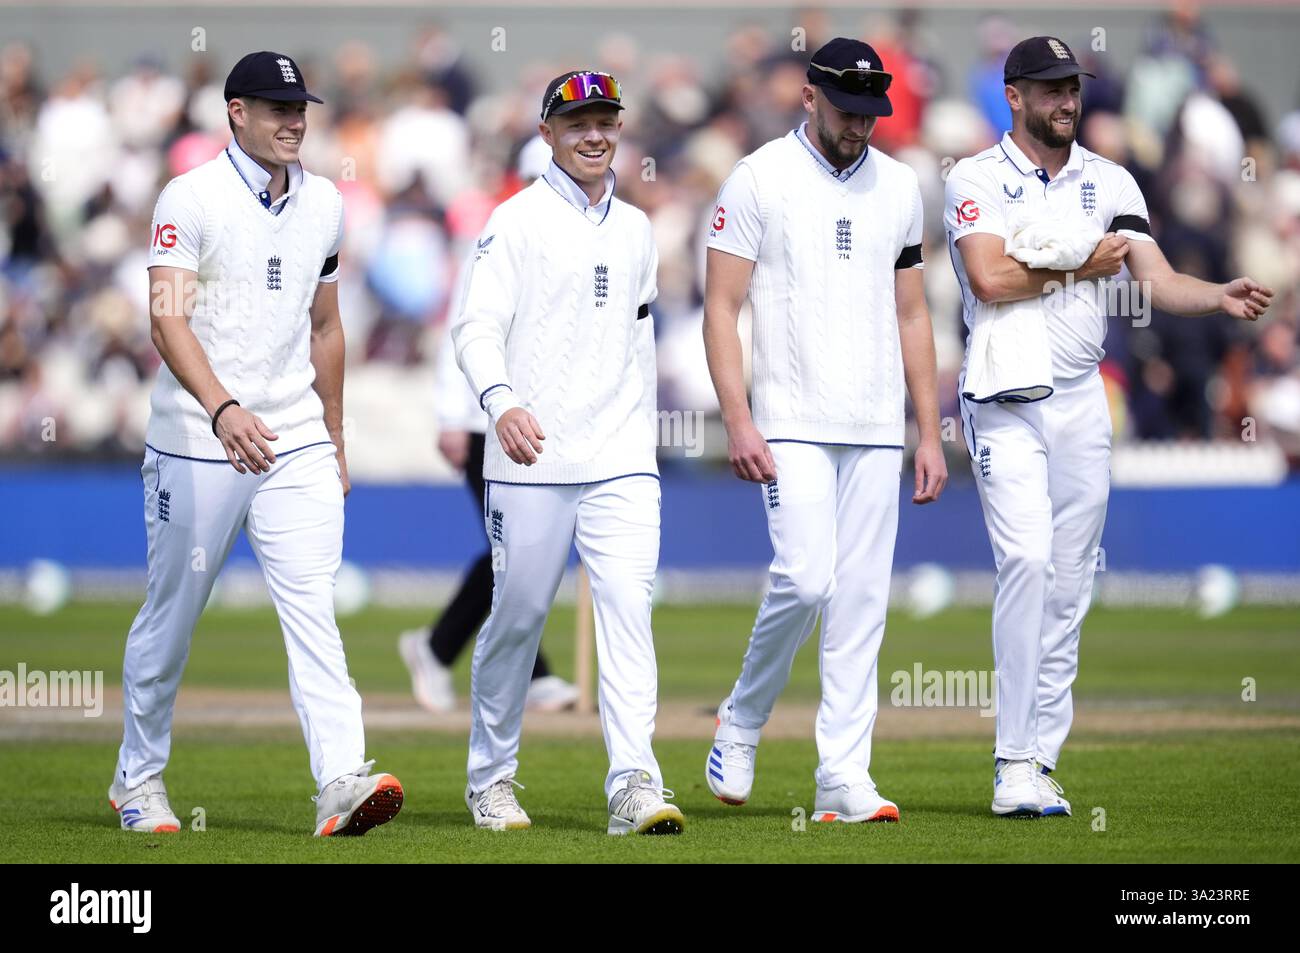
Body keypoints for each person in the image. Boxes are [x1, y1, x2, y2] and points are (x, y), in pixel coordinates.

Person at [944, 36, 1273, 818]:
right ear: (1014, 96)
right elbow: (988, 277)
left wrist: (1217, 294)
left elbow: (1155, 279)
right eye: (1050, 90)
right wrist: (1078, 270)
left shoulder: (1110, 179)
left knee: (1069, 583)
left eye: (1073, 89)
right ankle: (1011, 759)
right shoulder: (974, 177)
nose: (1067, 102)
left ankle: (1038, 760)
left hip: (1081, 400)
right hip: (1002, 399)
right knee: (1024, 560)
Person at [113, 51, 403, 837]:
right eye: (276, 108)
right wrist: (222, 408)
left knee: (314, 608)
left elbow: (327, 325)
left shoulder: (326, 205)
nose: (294, 121)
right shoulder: (190, 197)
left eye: (300, 107)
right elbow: (165, 318)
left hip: (296, 438)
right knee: (172, 617)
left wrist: (335, 436)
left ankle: (340, 780)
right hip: (196, 437)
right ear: (235, 112)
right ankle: (137, 779)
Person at [702, 38, 947, 824]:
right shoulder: (759, 178)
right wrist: (738, 419)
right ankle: (740, 718)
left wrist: (929, 429)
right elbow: (720, 307)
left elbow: (913, 311)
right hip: (790, 418)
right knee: (807, 578)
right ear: (809, 96)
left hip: (876, 423)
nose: (860, 125)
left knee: (861, 604)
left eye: (873, 111)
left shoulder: (902, 186)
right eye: (848, 110)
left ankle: (843, 775)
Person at [452, 70, 682, 835]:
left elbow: (640, 343)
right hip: (531, 455)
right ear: (547, 133)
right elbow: (474, 327)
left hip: (620, 456)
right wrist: (501, 403)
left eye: (606, 120)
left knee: (629, 611)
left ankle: (635, 782)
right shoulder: (513, 222)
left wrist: (642, 441)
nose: (594, 134)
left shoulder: (638, 229)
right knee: (516, 618)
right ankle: (490, 778)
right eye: (577, 121)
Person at [399, 137, 579, 715]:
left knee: (527, 546)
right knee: (511, 549)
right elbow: (464, 328)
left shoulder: (578, 240)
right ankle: (444, 648)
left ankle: (505, 663)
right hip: (487, 420)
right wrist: (455, 415)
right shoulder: (498, 234)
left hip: (548, 421)